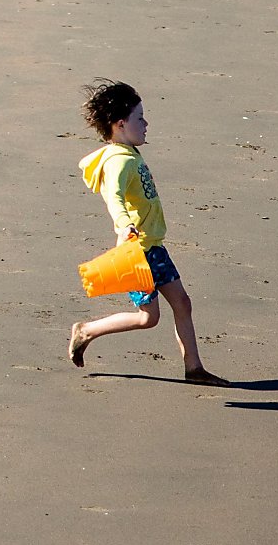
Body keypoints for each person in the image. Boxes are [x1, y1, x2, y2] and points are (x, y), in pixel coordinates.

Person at [67, 79, 230, 385]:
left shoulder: (128, 153)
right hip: (136, 252)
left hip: (154, 247)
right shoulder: (118, 162)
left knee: (182, 303)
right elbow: (113, 195)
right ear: (120, 125)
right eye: (139, 118)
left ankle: (193, 368)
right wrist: (123, 224)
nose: (146, 124)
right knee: (147, 318)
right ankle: (86, 331)